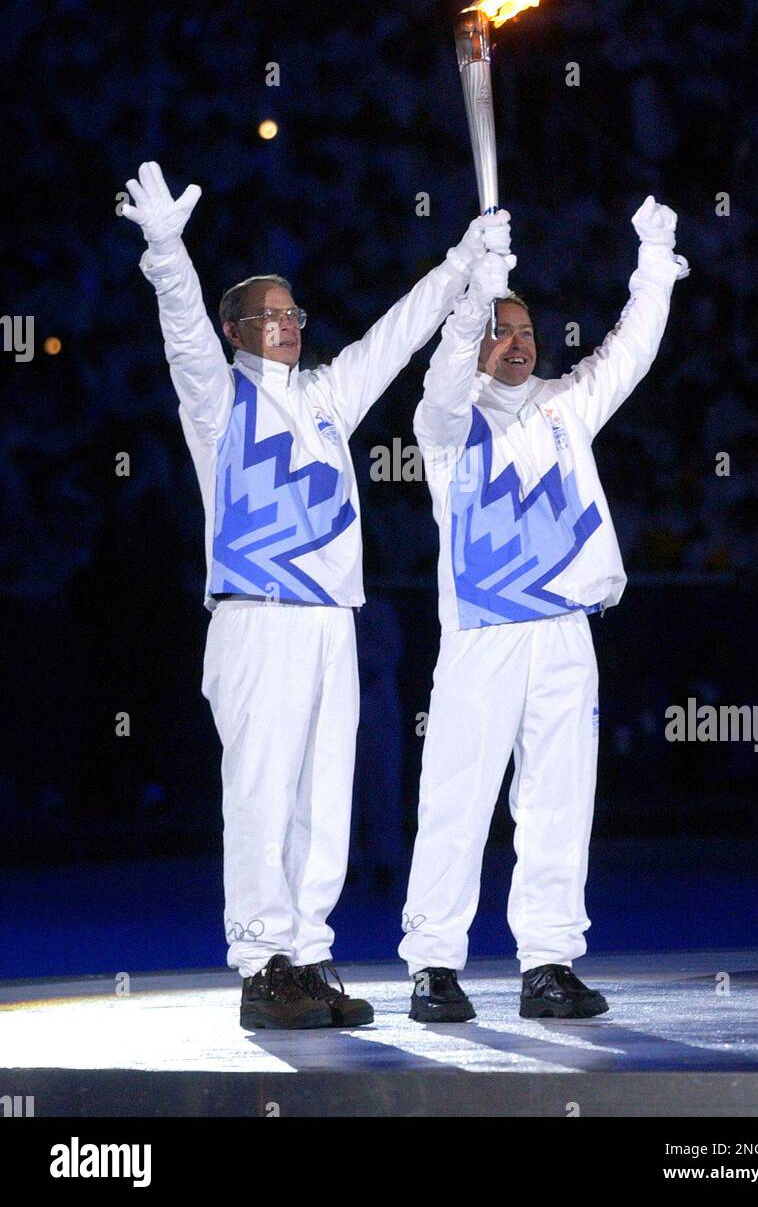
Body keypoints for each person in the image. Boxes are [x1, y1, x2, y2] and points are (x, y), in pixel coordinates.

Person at [122, 160, 510, 1030]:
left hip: (334, 622)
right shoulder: (219, 404)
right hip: (258, 620)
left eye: (293, 313)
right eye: (268, 316)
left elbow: (396, 335)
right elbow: (182, 330)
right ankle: (262, 965)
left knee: (324, 793)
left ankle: (305, 950)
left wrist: (460, 265)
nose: (288, 325)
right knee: (261, 790)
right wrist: (165, 249)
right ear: (237, 331)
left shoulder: (330, 396)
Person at [399, 196, 689, 1022]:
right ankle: (432, 965)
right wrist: (474, 293)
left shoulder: (568, 405)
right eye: (502, 331)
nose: (518, 343)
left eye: (526, 331)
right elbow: (443, 381)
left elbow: (632, 350)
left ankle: (549, 964)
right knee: (457, 798)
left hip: (563, 631)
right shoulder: (445, 428)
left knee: (560, 801)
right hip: (484, 636)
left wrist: (654, 259)